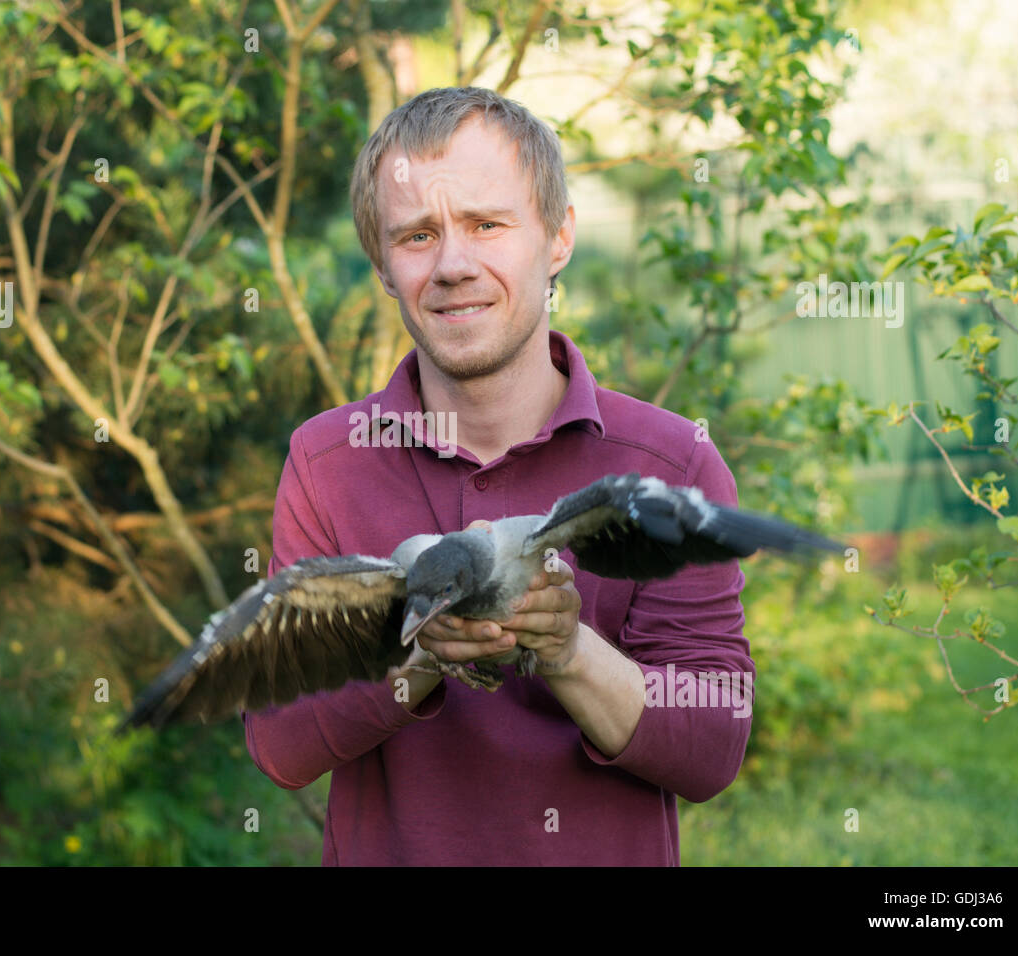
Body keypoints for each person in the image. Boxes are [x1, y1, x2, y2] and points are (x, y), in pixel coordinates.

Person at [243, 86, 753, 865]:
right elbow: (280, 744)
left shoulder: (670, 465)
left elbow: (711, 745)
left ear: (557, 238)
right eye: (416, 235)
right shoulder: (327, 462)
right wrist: (421, 649)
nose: (453, 264)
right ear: (383, 265)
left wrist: (566, 647)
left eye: (487, 224)